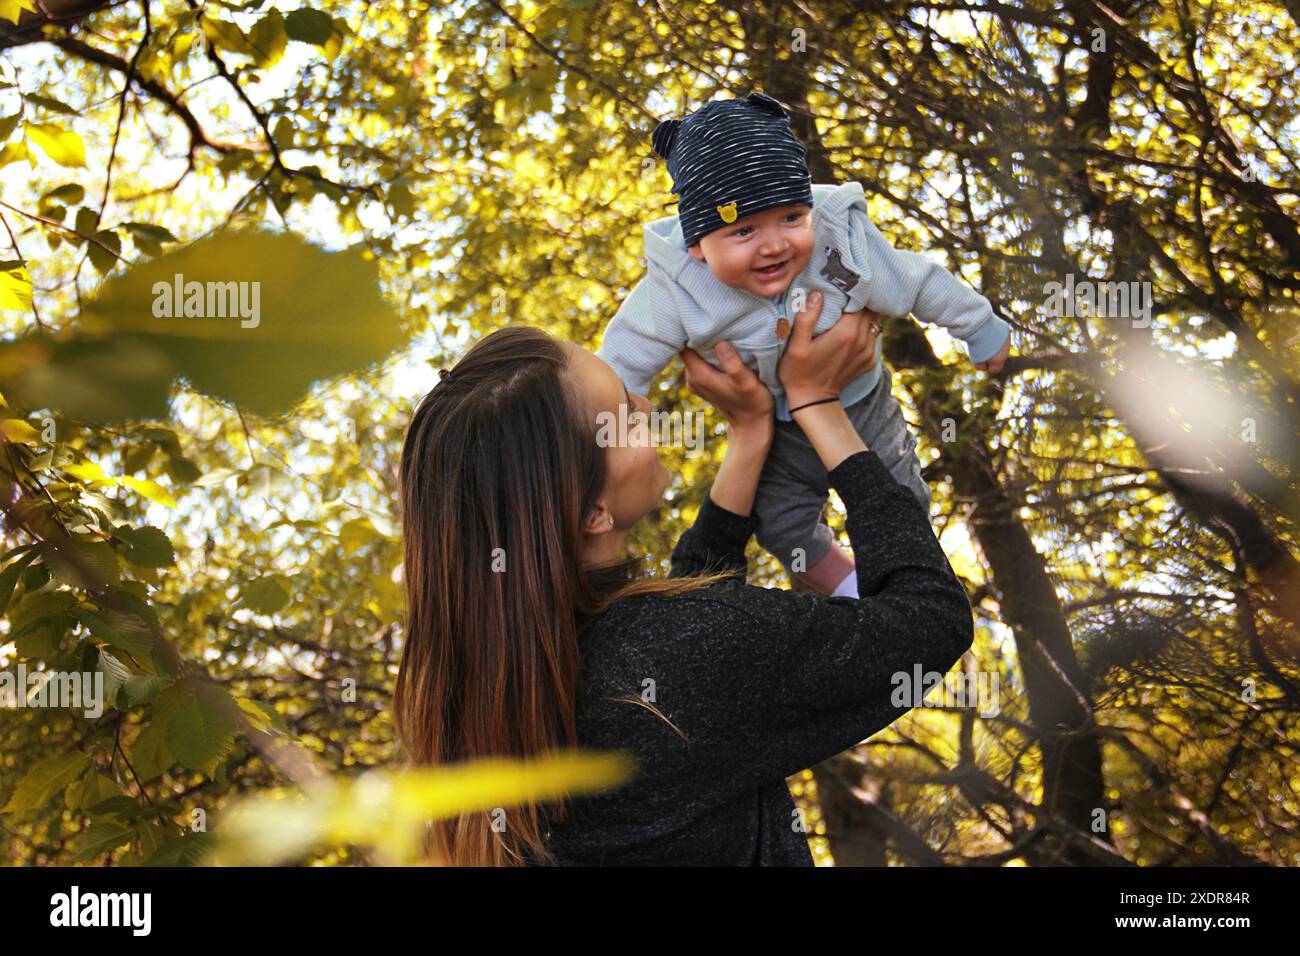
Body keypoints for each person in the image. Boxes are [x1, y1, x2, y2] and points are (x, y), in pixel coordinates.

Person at [393, 292, 975, 865]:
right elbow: (929, 621)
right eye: (625, 412)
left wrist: (749, 435)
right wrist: (820, 405)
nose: (647, 409)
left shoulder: (499, 694)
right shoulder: (671, 657)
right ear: (593, 511)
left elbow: (686, 648)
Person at [598, 90, 1011, 598]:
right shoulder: (677, 288)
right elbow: (623, 357)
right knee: (780, 524)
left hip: (863, 403)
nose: (774, 244)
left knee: (899, 497)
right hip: (777, 429)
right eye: (744, 229)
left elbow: (916, 280)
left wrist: (978, 326)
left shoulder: (843, 241)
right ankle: (848, 586)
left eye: (791, 217)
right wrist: (607, 425)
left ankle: (909, 576)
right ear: (697, 245)